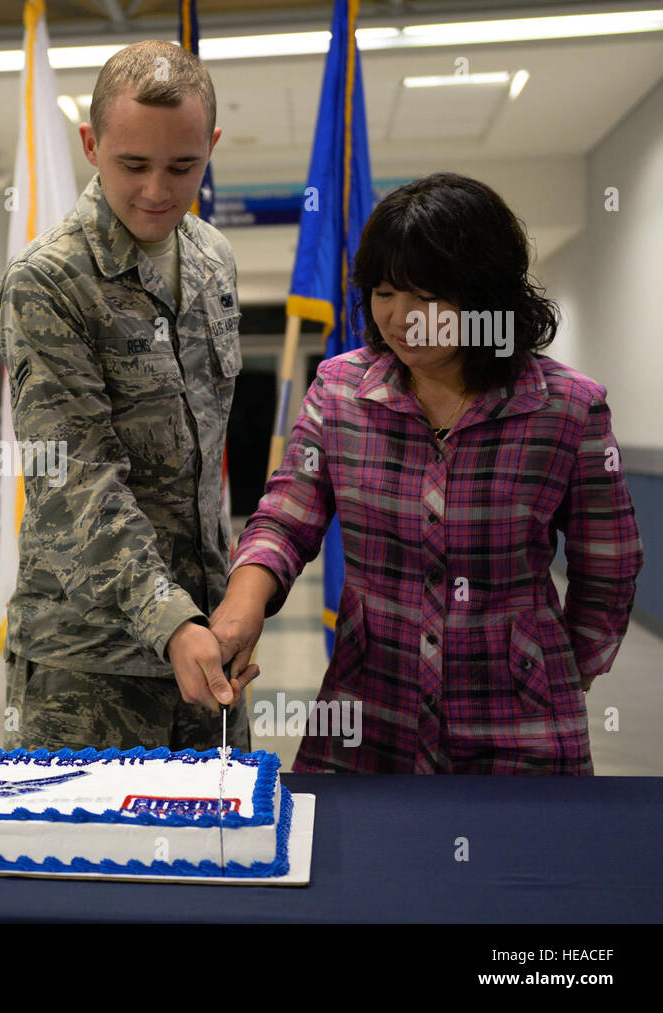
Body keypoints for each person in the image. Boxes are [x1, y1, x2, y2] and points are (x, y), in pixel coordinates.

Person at [211, 172, 642, 774]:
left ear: (486, 295)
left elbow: (610, 560)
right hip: (365, 711)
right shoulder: (340, 391)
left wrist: (565, 670)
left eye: (428, 296)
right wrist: (242, 603)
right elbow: (287, 516)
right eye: (384, 292)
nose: (401, 317)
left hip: (518, 725)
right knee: (351, 864)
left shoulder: (565, 407)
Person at [0, 40, 255, 753]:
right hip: (89, 669)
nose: (157, 191)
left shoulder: (213, 258)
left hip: (208, 647)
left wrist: (217, 613)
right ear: (90, 144)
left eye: (184, 166)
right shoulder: (48, 281)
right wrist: (169, 618)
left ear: (212, 147)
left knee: (222, 854)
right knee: (83, 863)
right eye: (132, 165)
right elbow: (73, 477)